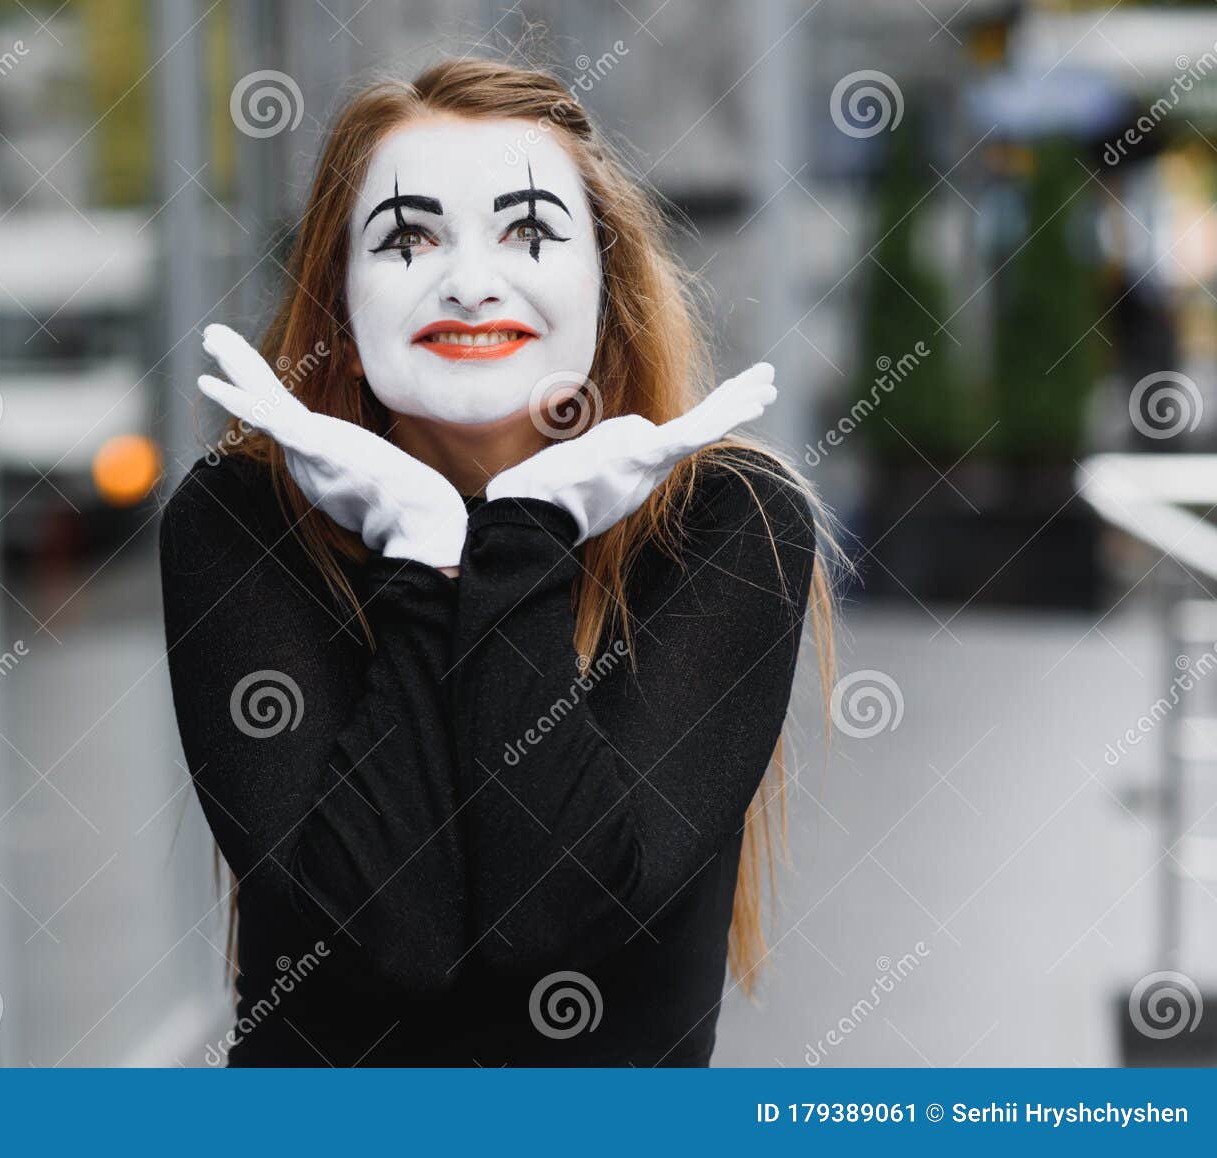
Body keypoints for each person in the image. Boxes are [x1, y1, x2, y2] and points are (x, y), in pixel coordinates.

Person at [159, 57, 838, 1066]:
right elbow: (394, 939)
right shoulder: (244, 519)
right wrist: (426, 551)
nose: (471, 282)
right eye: (407, 238)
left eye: (527, 233)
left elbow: (556, 915)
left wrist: (515, 536)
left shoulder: (721, 522)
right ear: (339, 315)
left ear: (606, 294)